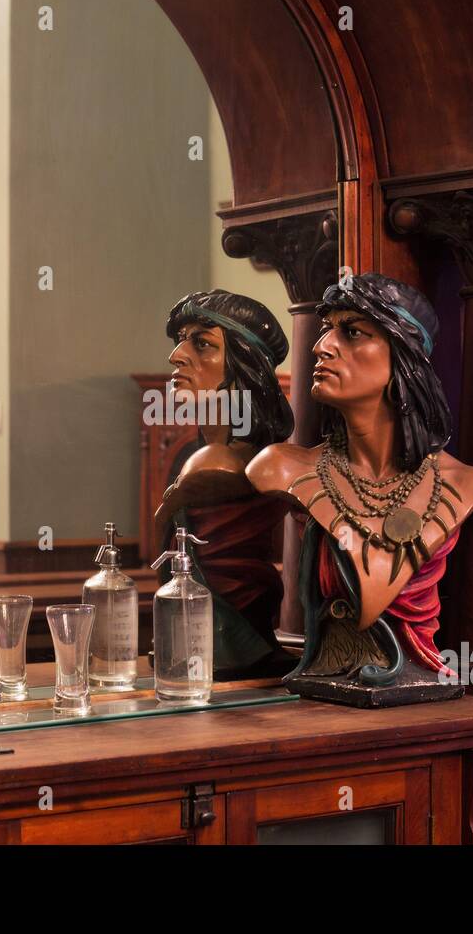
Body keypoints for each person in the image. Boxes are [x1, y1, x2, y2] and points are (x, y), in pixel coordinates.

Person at [247, 273, 473, 703]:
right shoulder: (281, 467)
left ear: (402, 357)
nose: (322, 345)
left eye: (351, 332)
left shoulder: (470, 485)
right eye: (327, 329)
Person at [154, 289, 298, 679]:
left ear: (244, 365)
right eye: (181, 341)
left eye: (201, 343)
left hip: (221, 651)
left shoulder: (213, 462)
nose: (177, 355)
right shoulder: (231, 455)